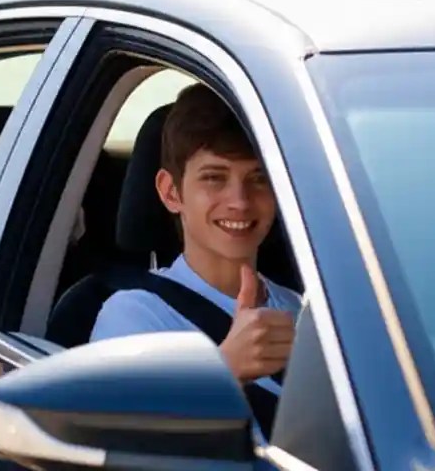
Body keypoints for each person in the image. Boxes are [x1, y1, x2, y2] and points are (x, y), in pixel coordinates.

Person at [90, 83, 302, 428]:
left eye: (258, 178)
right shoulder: (133, 315)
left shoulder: (302, 310)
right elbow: (123, 444)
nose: (240, 201)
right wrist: (226, 370)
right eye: (214, 178)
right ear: (171, 192)